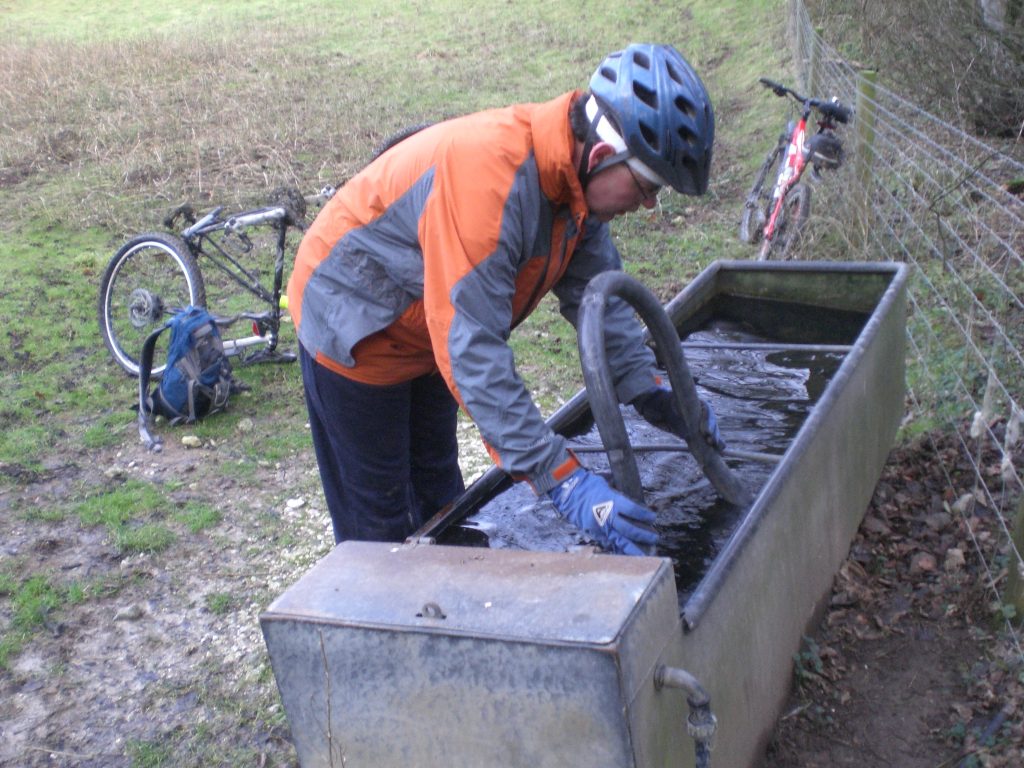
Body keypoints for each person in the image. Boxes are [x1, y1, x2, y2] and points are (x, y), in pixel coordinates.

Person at [287, 42, 721, 556]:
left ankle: (452, 614)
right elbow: (474, 356)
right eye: (648, 186)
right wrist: (563, 479)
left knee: (439, 498)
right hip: (352, 324)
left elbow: (598, 299)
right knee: (377, 531)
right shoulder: (492, 186)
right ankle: (371, 627)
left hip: (425, 325)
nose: (649, 204)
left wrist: (652, 391)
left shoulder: (574, 189)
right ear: (604, 155)